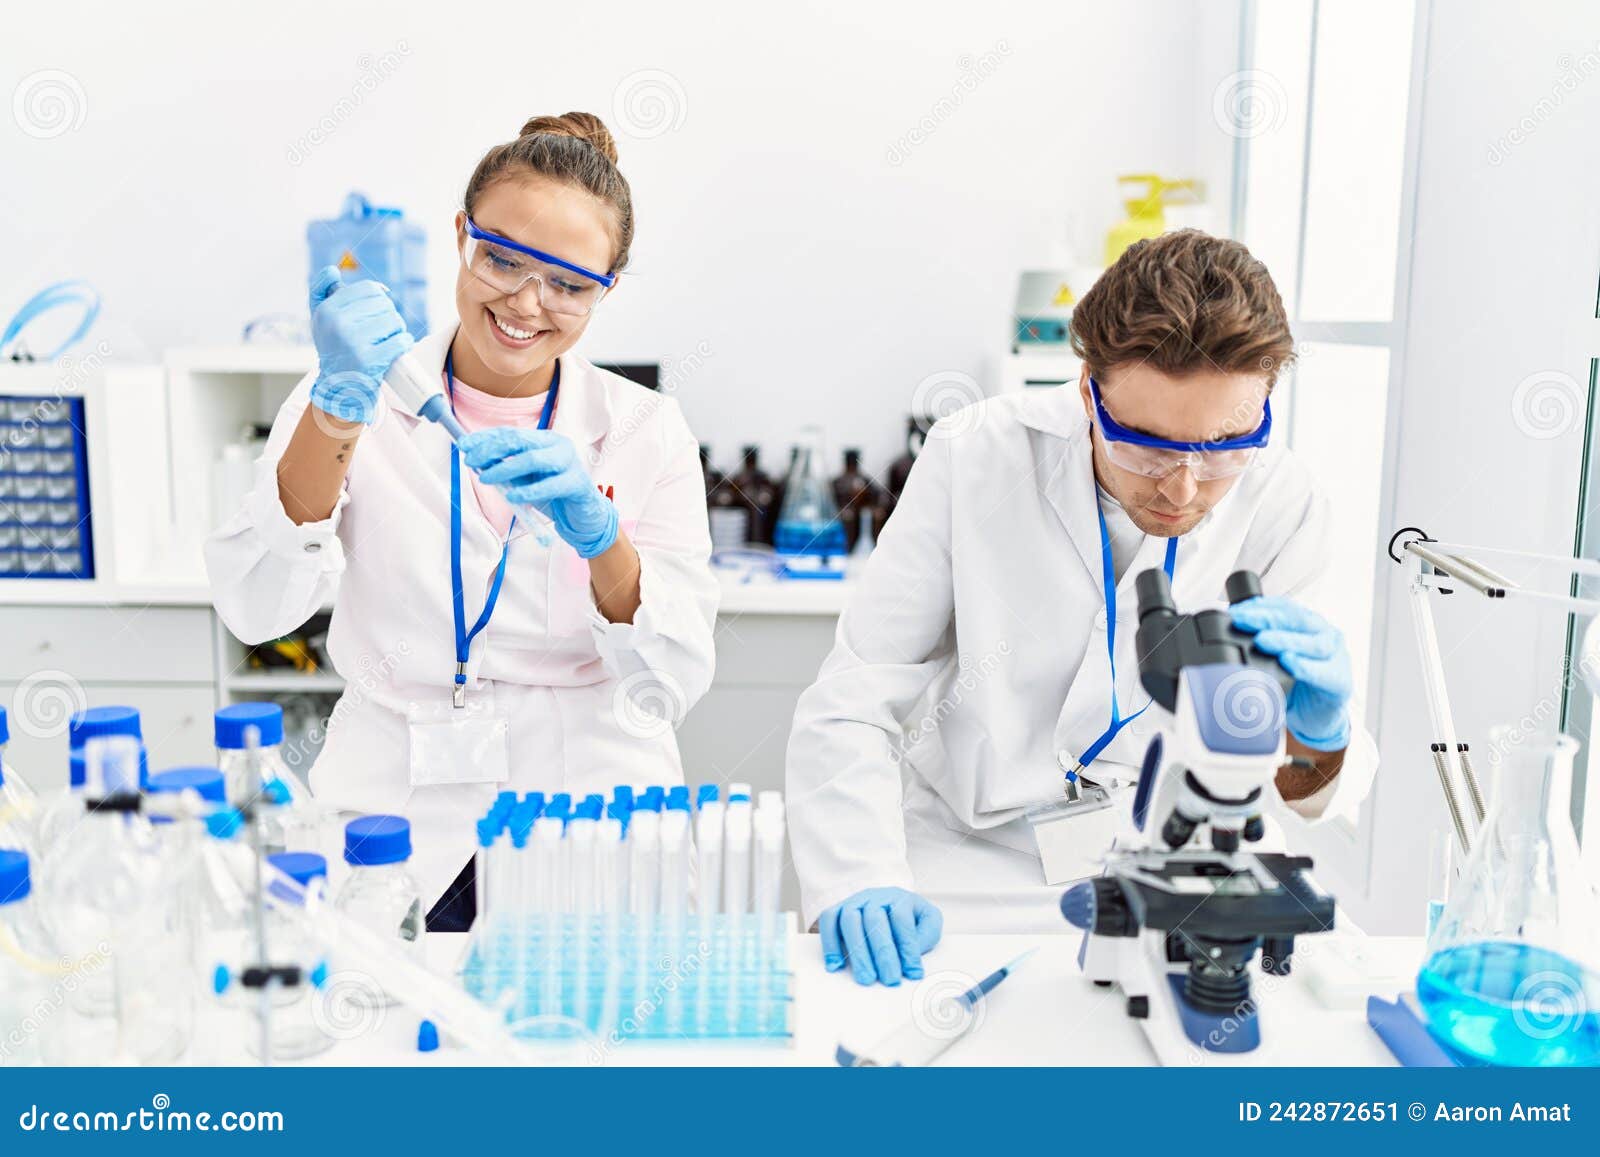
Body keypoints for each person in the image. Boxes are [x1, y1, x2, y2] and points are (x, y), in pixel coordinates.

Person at [786, 230, 1378, 984]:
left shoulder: (1284, 501)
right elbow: (858, 691)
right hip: (964, 859)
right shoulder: (975, 456)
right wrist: (858, 873)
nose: (1183, 489)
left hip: (1175, 866)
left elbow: (1302, 787)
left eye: (1227, 445)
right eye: (1146, 446)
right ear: (1086, 389)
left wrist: (1319, 732)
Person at [206, 112, 717, 928]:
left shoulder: (644, 428)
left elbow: (673, 679)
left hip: (587, 806)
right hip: (395, 805)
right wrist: (339, 411)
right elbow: (256, 607)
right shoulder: (351, 389)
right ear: (460, 236)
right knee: (376, 1030)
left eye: (569, 285)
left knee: (590, 1042)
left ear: (606, 289)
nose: (525, 302)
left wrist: (601, 539)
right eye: (502, 259)